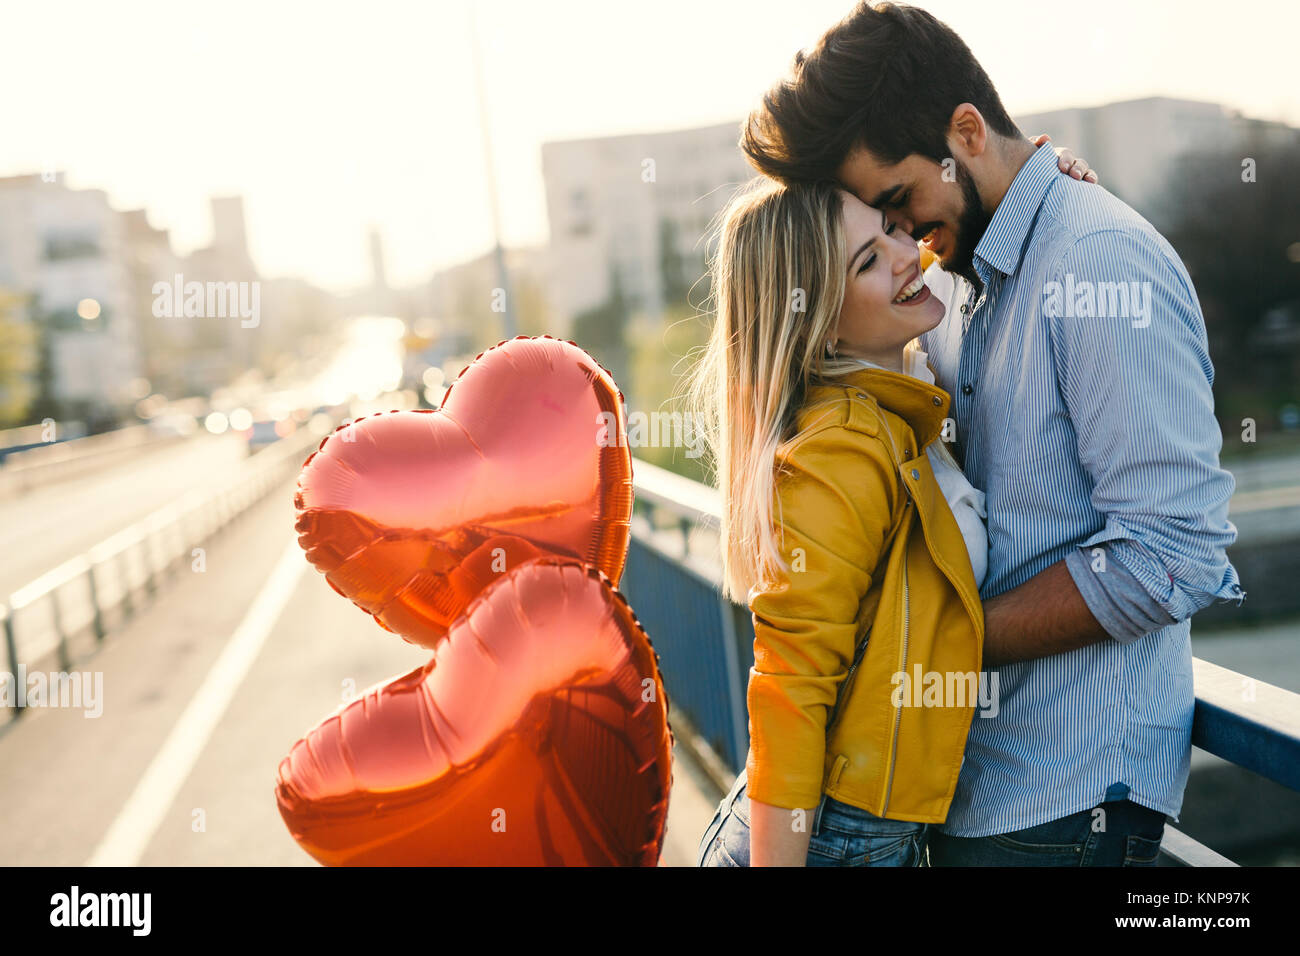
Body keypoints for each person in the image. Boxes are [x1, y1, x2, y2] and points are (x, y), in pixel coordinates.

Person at [739, 1, 1244, 866]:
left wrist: (932, 638)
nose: (906, 240)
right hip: (959, 794)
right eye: (881, 226)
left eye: (900, 205)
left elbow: (1174, 553)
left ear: (965, 131)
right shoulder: (951, 287)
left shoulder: (1099, 262)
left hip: (1063, 800)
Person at [690, 139, 1097, 866]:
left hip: (866, 833)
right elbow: (790, 683)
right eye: (867, 261)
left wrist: (1039, 182)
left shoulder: (895, 403)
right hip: (831, 841)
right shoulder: (845, 445)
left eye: (892, 229)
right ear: (820, 319)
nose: (906, 254)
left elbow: (959, 236)